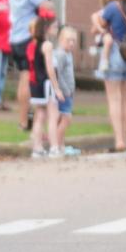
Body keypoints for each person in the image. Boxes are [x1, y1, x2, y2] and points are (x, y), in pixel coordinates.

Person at [90, 0, 126, 152]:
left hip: (116, 54)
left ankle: (119, 140)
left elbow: (98, 28)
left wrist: (96, 21)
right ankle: (125, 137)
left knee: (114, 99)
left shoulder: (113, 7)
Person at [8, 0, 50, 131]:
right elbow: (46, 8)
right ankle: (25, 121)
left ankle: (24, 118)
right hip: (28, 36)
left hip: (15, 35)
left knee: (24, 76)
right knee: (28, 77)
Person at [27, 9, 56, 158]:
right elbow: (50, 70)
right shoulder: (47, 45)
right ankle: (54, 147)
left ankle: (37, 148)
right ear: (47, 28)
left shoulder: (34, 45)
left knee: (40, 116)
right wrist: (57, 88)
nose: (56, 29)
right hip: (45, 83)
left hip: (35, 83)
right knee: (52, 115)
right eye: (54, 26)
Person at [51, 25, 80, 159]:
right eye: (69, 40)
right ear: (60, 39)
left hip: (68, 91)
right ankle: (57, 145)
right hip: (64, 92)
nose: (72, 43)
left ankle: (61, 145)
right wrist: (63, 90)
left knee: (62, 119)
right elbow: (58, 74)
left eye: (74, 40)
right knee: (66, 118)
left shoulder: (68, 54)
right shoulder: (61, 54)